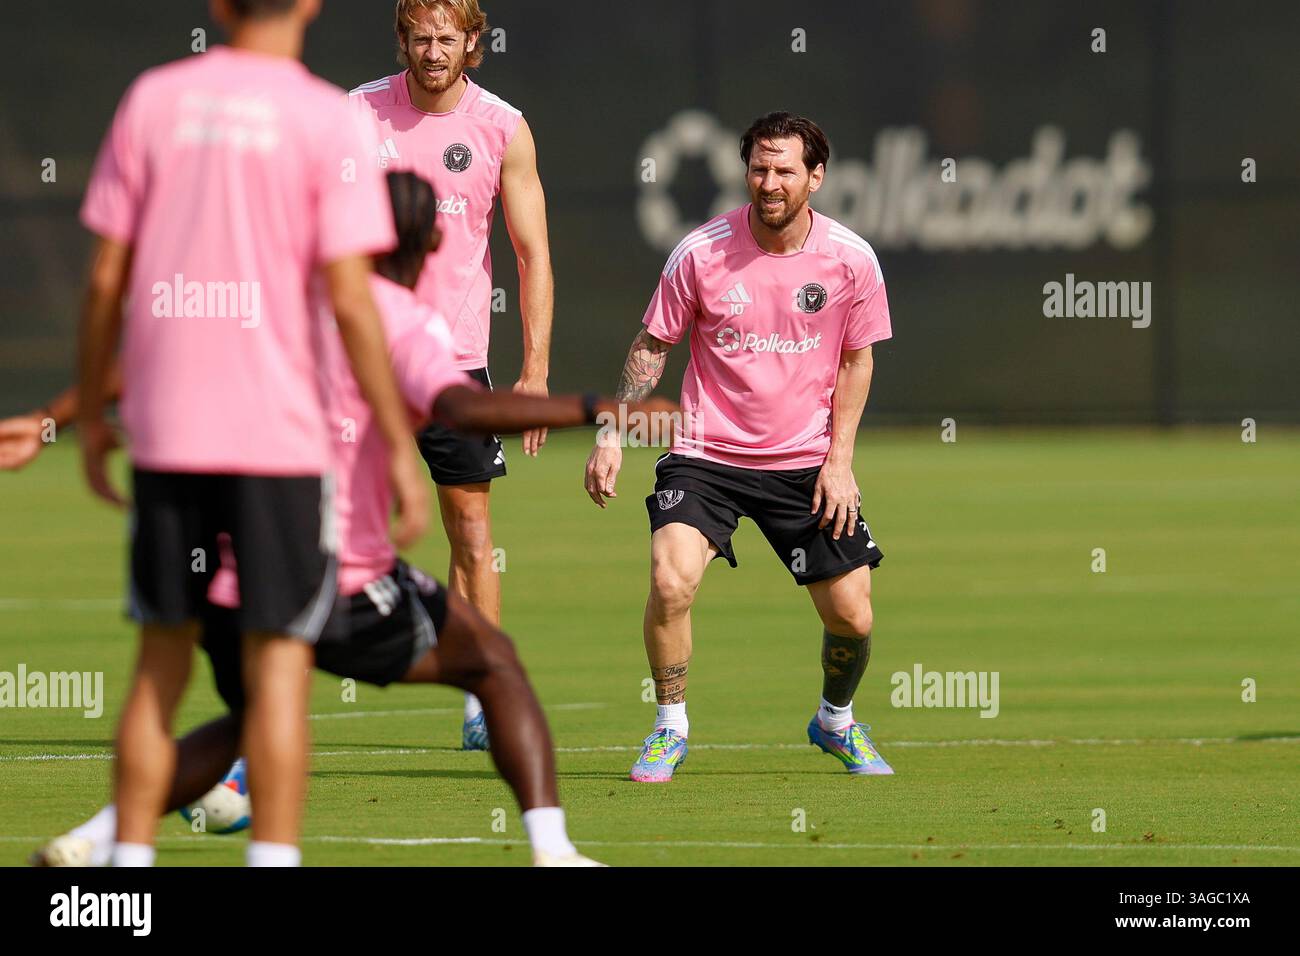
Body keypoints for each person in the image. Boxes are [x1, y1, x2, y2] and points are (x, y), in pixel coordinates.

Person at [25, 171, 675, 867]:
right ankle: (553, 852)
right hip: (333, 571)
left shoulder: (275, 302)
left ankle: (97, 839)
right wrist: (597, 409)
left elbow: (156, 357)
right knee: (493, 662)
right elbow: (461, 410)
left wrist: (51, 420)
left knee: (253, 719)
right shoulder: (397, 319)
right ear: (433, 241)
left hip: (227, 570)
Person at [75, 0, 429, 866]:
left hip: (167, 435)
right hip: (279, 441)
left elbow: (105, 279)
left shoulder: (153, 98)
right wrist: (397, 444)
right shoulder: (325, 117)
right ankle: (272, 860)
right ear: (309, 4)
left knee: (160, 666)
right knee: (278, 672)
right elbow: (352, 298)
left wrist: (89, 415)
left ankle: (128, 874)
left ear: (217, 7)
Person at [583, 112, 896, 782]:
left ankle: (835, 721)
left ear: (816, 176)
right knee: (670, 580)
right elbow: (653, 345)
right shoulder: (700, 252)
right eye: (759, 167)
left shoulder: (851, 260)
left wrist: (839, 463)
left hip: (805, 464)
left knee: (853, 615)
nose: (770, 182)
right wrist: (615, 433)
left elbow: (856, 362)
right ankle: (669, 727)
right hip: (706, 456)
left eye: (785, 169)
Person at [349, 0, 554, 750]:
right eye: (420, 38)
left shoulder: (503, 126)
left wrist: (533, 375)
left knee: (471, 530)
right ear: (401, 39)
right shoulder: (355, 116)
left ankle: (483, 695)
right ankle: (266, 693)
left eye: (447, 39)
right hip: (360, 357)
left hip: (454, 362)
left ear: (474, 43)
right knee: (319, 522)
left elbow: (531, 255)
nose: (433, 52)